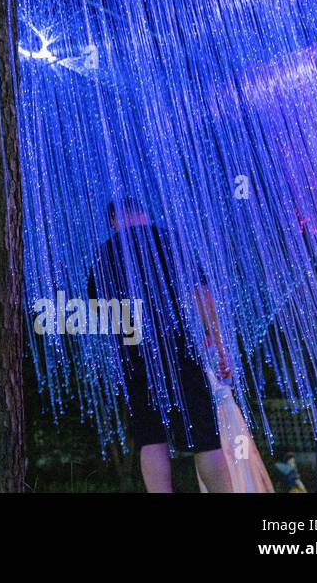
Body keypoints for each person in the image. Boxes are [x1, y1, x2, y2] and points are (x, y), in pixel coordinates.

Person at [90, 198, 233, 492]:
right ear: (144, 213)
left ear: (114, 222)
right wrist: (217, 343)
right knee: (205, 438)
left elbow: (99, 313)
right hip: (178, 347)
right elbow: (201, 294)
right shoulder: (168, 240)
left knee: (151, 437)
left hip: (134, 354)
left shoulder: (105, 254)